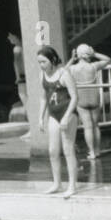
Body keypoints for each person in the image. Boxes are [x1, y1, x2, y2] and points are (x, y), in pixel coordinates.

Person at [37, 46, 79, 198]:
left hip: (68, 114)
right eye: (39, 62)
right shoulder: (42, 75)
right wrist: (40, 117)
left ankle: (72, 185)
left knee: (68, 150)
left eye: (43, 62)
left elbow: (74, 97)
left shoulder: (64, 73)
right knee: (53, 151)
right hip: (53, 115)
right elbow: (43, 97)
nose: (41, 65)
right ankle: (57, 183)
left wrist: (67, 116)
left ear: (52, 60)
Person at [67, 44, 111, 160]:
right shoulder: (93, 66)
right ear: (88, 54)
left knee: (87, 126)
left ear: (78, 54)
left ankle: (91, 152)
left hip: (81, 98)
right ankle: (97, 150)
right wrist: (95, 53)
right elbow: (108, 59)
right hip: (94, 97)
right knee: (95, 125)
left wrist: (72, 59)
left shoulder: (73, 68)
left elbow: (63, 71)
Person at [7, 33, 26, 109]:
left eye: (10, 36)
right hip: (26, 74)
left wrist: (18, 77)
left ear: (16, 36)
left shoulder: (17, 48)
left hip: (21, 76)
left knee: (22, 95)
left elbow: (16, 63)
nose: (9, 38)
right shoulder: (24, 47)